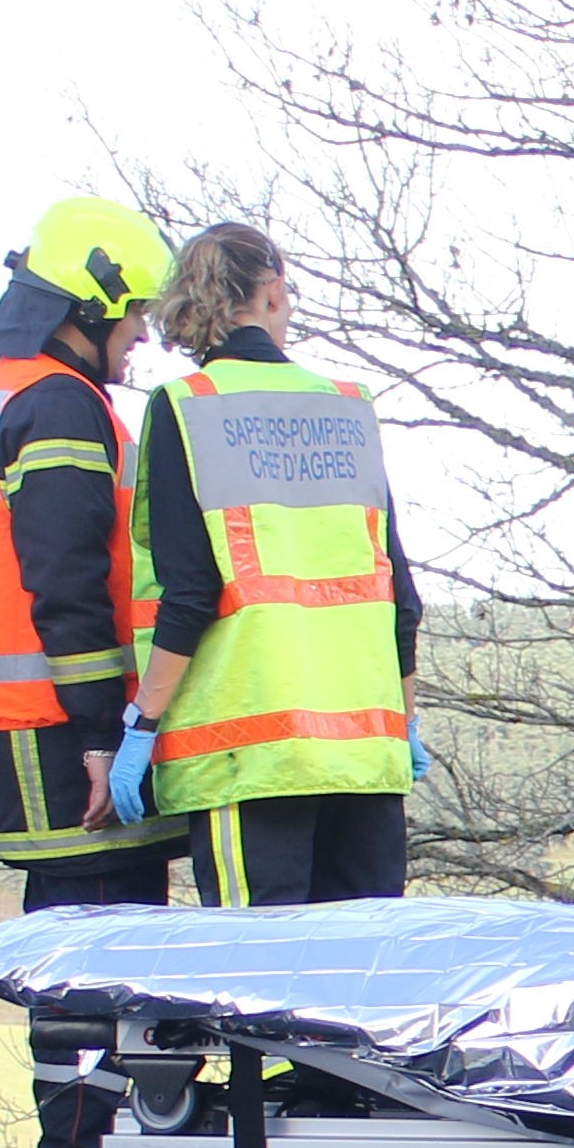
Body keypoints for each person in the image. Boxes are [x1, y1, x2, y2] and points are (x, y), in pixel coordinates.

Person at [0, 197, 188, 1148]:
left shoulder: (4, 395)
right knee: (105, 968)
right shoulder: (59, 404)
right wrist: (102, 737)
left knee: (73, 967)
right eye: (133, 318)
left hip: (25, 729)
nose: (141, 341)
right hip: (66, 740)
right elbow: (69, 583)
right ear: (89, 307)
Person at [113, 224, 423, 909]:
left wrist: (142, 723)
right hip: (365, 760)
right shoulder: (347, 406)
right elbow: (398, 592)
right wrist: (405, 720)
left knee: (260, 970)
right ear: (275, 293)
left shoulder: (188, 407)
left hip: (247, 759)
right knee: (363, 967)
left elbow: (192, 589)